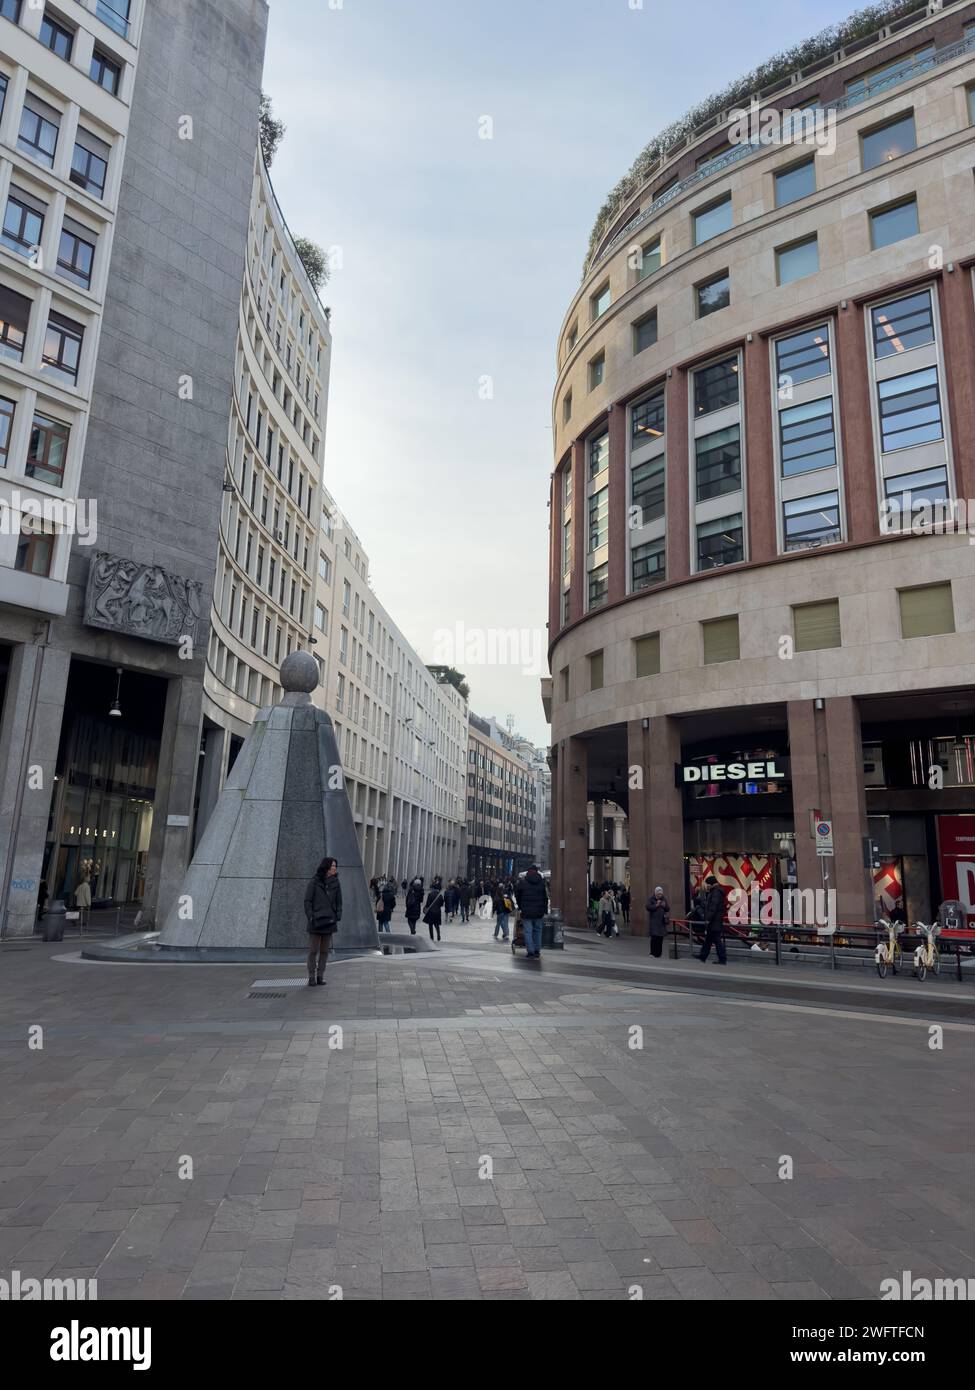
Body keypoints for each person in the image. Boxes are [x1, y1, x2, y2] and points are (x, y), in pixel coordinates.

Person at [303, 856, 342, 986]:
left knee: (325, 951)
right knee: (313, 951)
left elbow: (339, 902)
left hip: (329, 921)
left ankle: (320, 975)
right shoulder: (314, 882)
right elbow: (307, 901)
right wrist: (311, 916)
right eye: (333, 866)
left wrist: (337, 915)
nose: (335, 868)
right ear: (326, 868)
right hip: (316, 921)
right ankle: (311, 976)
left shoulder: (336, 883)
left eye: (336, 866)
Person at [516, 864, 548, 959]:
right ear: (537, 871)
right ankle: (537, 950)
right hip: (539, 912)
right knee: (538, 931)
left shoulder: (522, 882)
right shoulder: (542, 882)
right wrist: (544, 909)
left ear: (528, 871)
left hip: (526, 911)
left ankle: (530, 951)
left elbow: (518, 896)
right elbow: (545, 898)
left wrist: (521, 906)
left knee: (528, 932)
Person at [698, 875, 727, 964]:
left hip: (714, 921)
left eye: (707, 884)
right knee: (708, 940)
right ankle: (703, 956)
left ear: (711, 884)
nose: (707, 886)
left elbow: (713, 907)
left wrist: (708, 918)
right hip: (715, 921)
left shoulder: (716, 892)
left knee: (717, 941)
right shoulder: (715, 892)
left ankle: (722, 959)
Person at [646, 885, 669, 959]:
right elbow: (648, 907)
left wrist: (663, 905)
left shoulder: (664, 899)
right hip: (654, 922)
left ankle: (658, 954)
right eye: (658, 894)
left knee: (660, 938)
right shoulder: (651, 899)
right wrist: (656, 905)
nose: (660, 895)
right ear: (655, 893)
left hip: (661, 922)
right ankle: (652, 953)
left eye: (661, 894)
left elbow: (668, 908)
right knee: (654, 938)